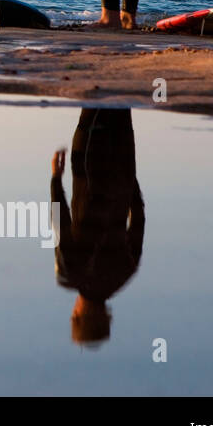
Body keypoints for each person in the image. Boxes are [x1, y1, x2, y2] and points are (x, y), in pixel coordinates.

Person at [50, 108, 145, 346]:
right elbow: (59, 223)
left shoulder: (126, 273)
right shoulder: (69, 274)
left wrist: (129, 179)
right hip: (86, 167)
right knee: (92, 98)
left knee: (121, 100)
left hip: (122, 166)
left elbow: (139, 218)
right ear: (78, 315)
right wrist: (55, 179)